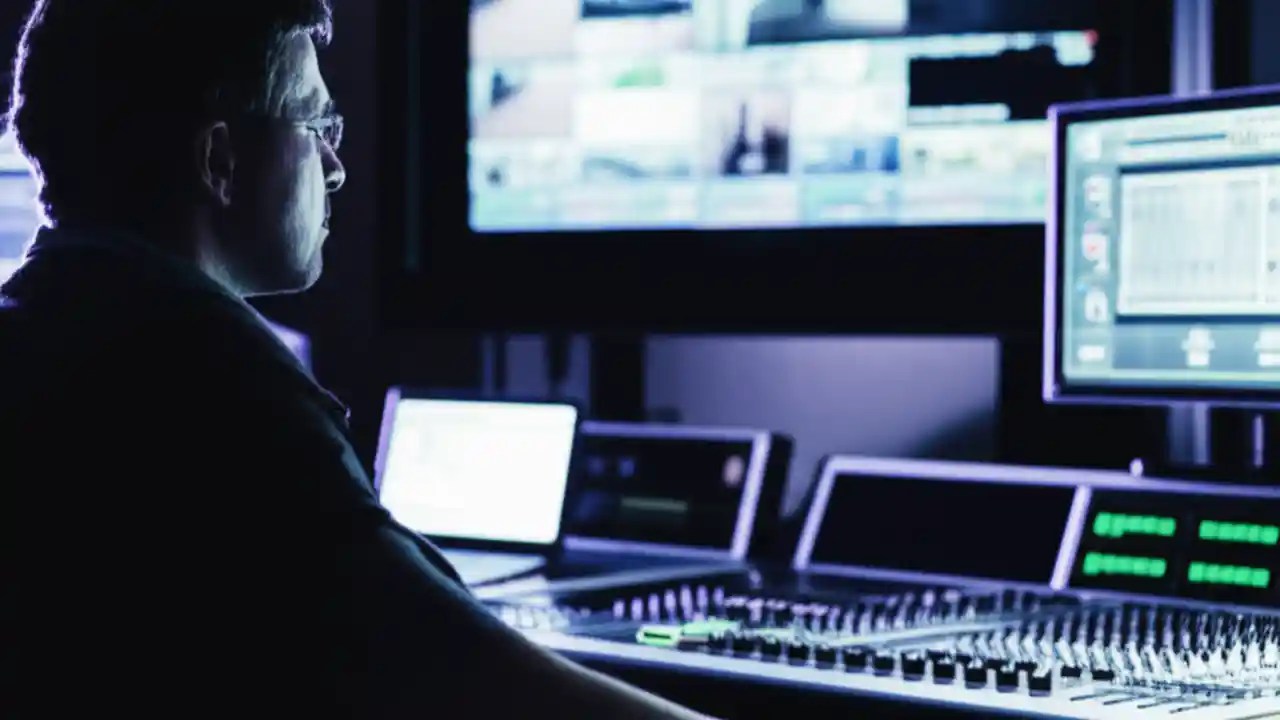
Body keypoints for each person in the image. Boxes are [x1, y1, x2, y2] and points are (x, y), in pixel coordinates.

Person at [0, 2, 709, 718]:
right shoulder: (216, 388)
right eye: (316, 128)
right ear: (220, 160)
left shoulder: (39, 332)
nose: (336, 169)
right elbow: (464, 671)